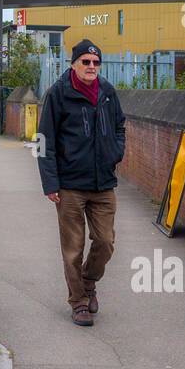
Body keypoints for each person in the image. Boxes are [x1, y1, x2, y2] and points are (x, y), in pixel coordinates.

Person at [35, 40, 127, 327]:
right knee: (73, 249)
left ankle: (88, 282)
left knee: (105, 242)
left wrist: (116, 151)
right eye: (85, 62)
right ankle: (78, 302)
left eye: (95, 63)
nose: (91, 67)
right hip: (70, 185)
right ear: (74, 63)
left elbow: (120, 126)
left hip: (103, 183)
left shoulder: (108, 93)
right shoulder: (58, 94)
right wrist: (50, 183)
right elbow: (43, 141)